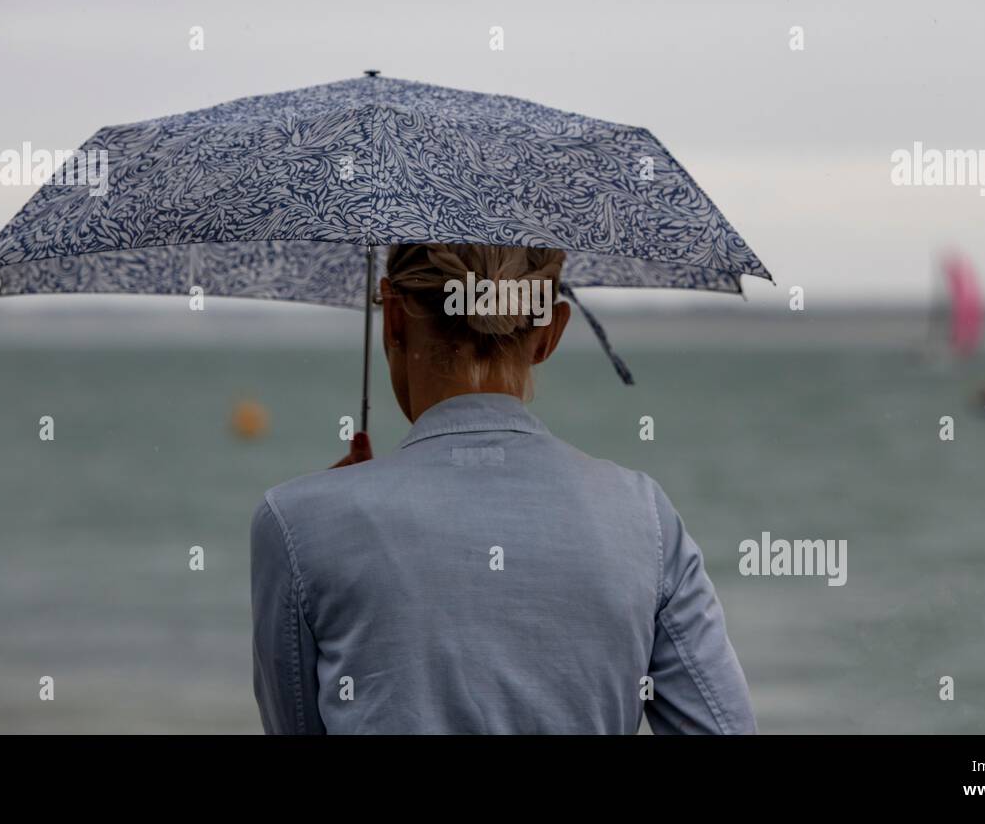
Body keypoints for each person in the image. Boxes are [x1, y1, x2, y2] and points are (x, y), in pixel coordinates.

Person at [250, 243, 755, 734]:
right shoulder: (646, 519)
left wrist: (329, 523)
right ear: (549, 332)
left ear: (395, 319)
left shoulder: (294, 522)